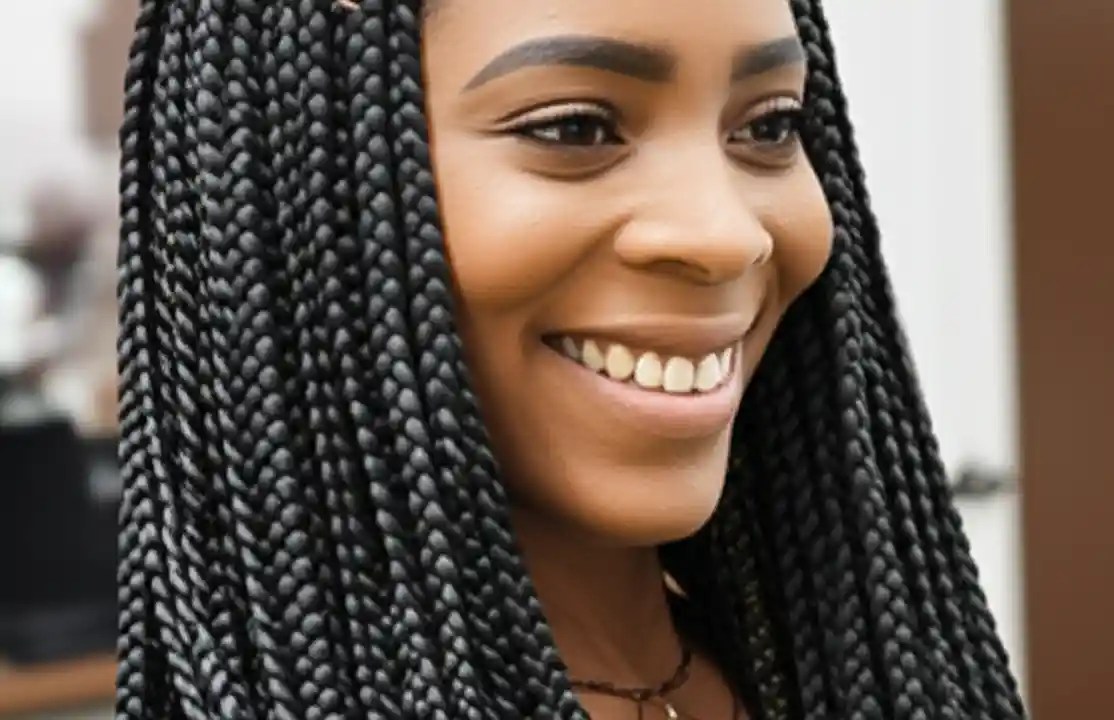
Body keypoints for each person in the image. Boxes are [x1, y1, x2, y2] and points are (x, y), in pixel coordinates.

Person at [115, 0, 1025, 717]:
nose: (723, 234)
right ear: (292, 179)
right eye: (576, 129)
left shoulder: (865, 675)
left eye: (768, 126)